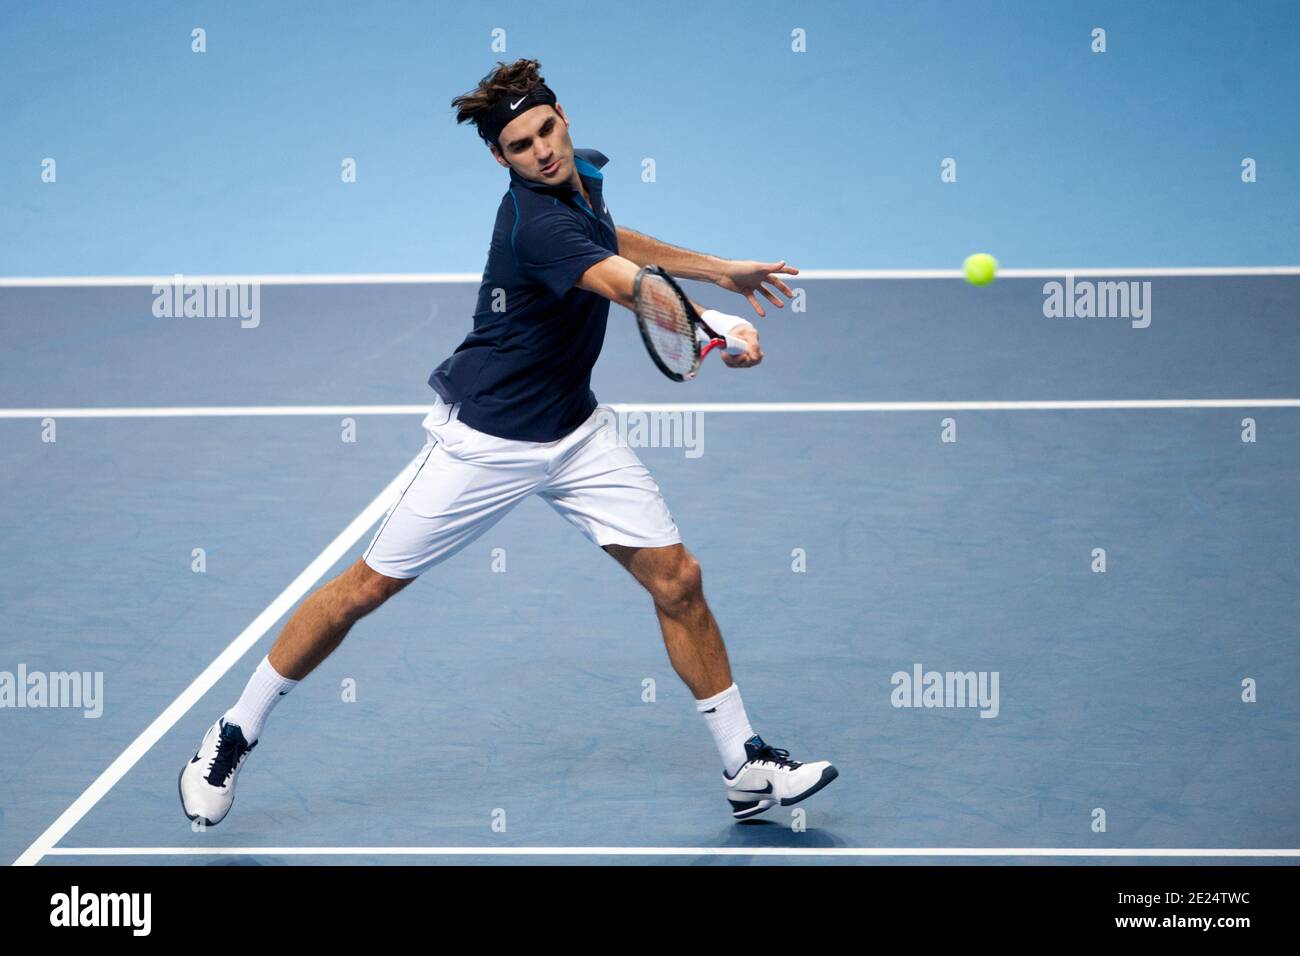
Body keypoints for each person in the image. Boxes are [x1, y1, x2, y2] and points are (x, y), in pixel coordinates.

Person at [180, 58, 836, 828]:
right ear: (501, 159)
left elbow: (614, 238)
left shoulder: (579, 178)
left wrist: (720, 270)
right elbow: (629, 285)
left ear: (563, 117)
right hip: (487, 440)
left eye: (548, 129)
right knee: (364, 590)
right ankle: (233, 731)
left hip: (576, 432)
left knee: (679, 580)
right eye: (521, 145)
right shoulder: (534, 222)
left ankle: (743, 765)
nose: (543, 151)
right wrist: (716, 330)